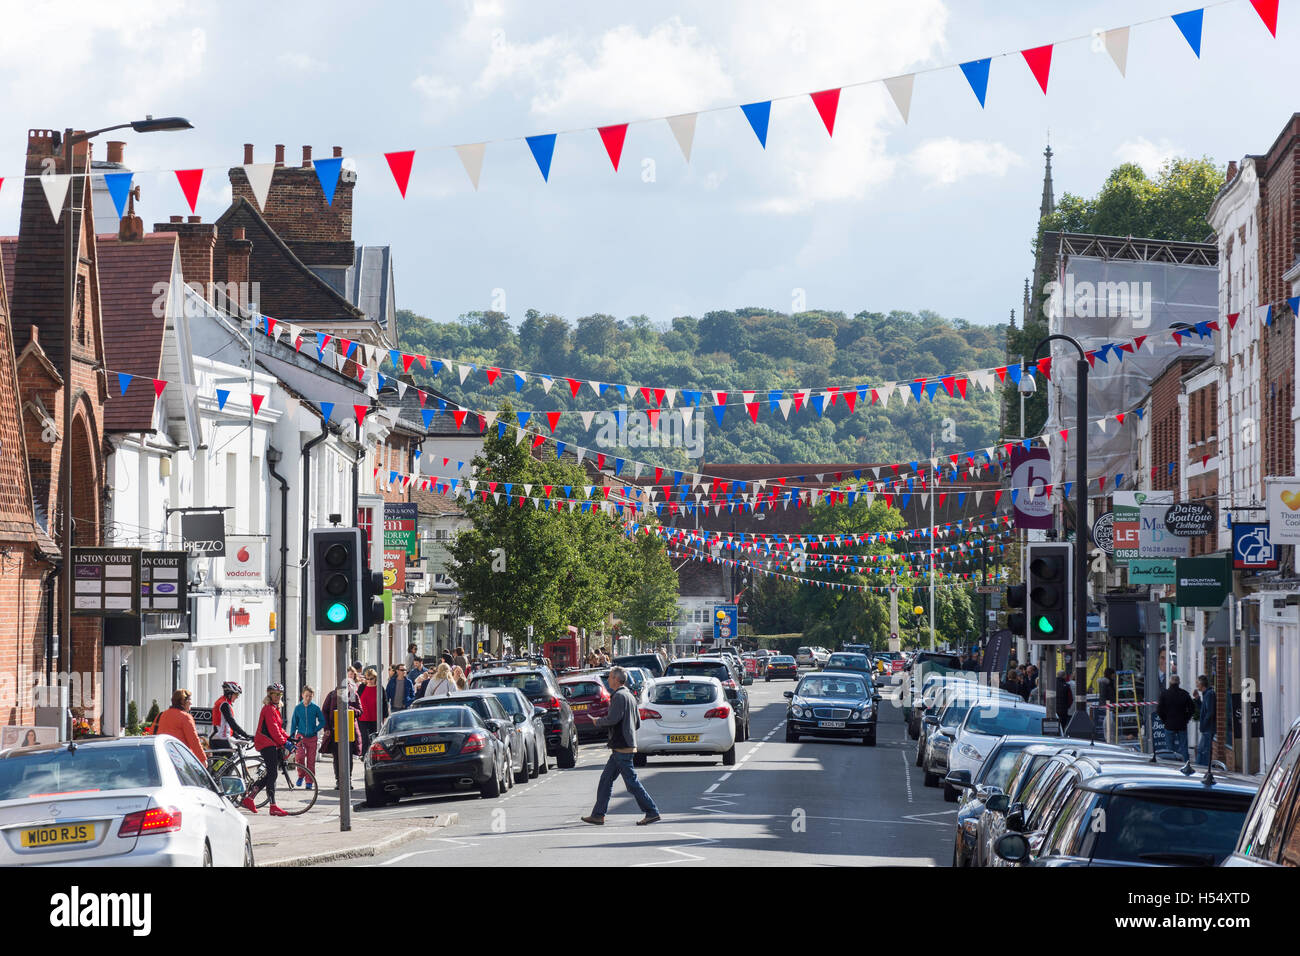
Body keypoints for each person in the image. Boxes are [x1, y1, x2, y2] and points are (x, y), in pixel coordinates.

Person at [581, 666, 660, 826]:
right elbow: (637, 722)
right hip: (624, 744)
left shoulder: (618, 697)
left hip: (622, 745)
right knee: (606, 780)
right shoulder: (629, 695)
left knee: (631, 783)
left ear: (617, 679)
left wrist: (598, 721)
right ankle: (598, 814)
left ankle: (652, 811)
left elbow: (612, 719)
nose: (608, 680)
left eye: (610, 677)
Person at [243, 683, 292, 816]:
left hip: (271, 743)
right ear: (270, 695)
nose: (277, 697)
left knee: (271, 774)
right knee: (273, 774)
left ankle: (249, 798)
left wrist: (289, 738)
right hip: (266, 743)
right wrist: (285, 742)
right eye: (275, 694)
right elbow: (273, 730)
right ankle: (273, 806)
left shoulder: (275, 709)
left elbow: (279, 728)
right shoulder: (268, 709)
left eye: (280, 695)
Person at [151, 688, 208, 767]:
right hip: (179, 759)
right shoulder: (185, 717)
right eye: (189, 700)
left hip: (161, 757)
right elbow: (193, 740)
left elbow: (151, 735)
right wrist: (202, 759)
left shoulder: (161, 715)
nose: (190, 703)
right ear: (182, 701)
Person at [320, 684, 362, 789]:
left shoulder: (353, 695)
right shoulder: (332, 695)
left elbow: (360, 711)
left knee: (348, 757)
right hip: (335, 731)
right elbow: (324, 711)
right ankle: (339, 780)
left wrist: (348, 707)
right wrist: (327, 728)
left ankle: (348, 780)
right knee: (337, 757)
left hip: (349, 731)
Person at [289, 686, 324, 788]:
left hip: (312, 738)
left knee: (311, 761)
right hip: (300, 737)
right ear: (302, 695)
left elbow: (322, 721)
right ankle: (301, 776)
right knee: (299, 757)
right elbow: (293, 723)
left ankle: (309, 781)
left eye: (310, 696)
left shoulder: (315, 708)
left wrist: (315, 729)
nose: (308, 698)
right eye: (306, 696)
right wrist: (291, 737)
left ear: (312, 696)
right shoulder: (298, 708)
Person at [209, 680, 253, 757]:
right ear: (229, 694)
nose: (237, 697)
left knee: (222, 765)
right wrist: (246, 735)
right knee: (228, 761)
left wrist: (239, 737)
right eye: (236, 694)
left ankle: (213, 769)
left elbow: (227, 726)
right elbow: (232, 722)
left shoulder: (223, 702)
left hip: (218, 738)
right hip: (220, 739)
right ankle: (212, 769)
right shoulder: (224, 704)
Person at [1158, 674, 1195, 760]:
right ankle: (1186, 764)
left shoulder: (1164, 694)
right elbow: (1192, 708)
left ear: (1170, 682)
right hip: (1182, 724)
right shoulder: (1184, 694)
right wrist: (1186, 719)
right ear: (1179, 683)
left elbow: (1159, 710)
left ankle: (1171, 766)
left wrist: (1165, 720)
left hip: (1169, 724)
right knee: (1184, 747)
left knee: (1169, 748)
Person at [1194, 675, 1216, 767]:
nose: (1196, 686)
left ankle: (1201, 768)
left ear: (1202, 684)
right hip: (1207, 728)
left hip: (1208, 728)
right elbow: (1204, 709)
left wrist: (1204, 723)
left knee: (1203, 750)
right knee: (1202, 750)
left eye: (1197, 684)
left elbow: (1210, 712)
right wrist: (1198, 700)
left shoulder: (1209, 694)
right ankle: (1200, 767)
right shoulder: (1206, 694)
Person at [358, 668, 380, 752]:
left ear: (375, 678)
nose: (369, 681)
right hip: (363, 718)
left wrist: (385, 717)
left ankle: (373, 754)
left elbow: (384, 704)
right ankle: (364, 755)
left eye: (371, 679)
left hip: (375, 718)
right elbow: (357, 700)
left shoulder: (379, 688)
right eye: (367, 679)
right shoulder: (362, 687)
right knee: (364, 738)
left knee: (374, 739)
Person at [1098, 668, 1117, 742]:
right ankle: (1109, 739)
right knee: (1108, 723)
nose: (1114, 675)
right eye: (1113, 673)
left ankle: (1109, 738)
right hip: (1107, 706)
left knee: (1108, 723)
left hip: (1108, 705)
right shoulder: (1106, 683)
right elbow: (1105, 695)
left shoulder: (1108, 683)